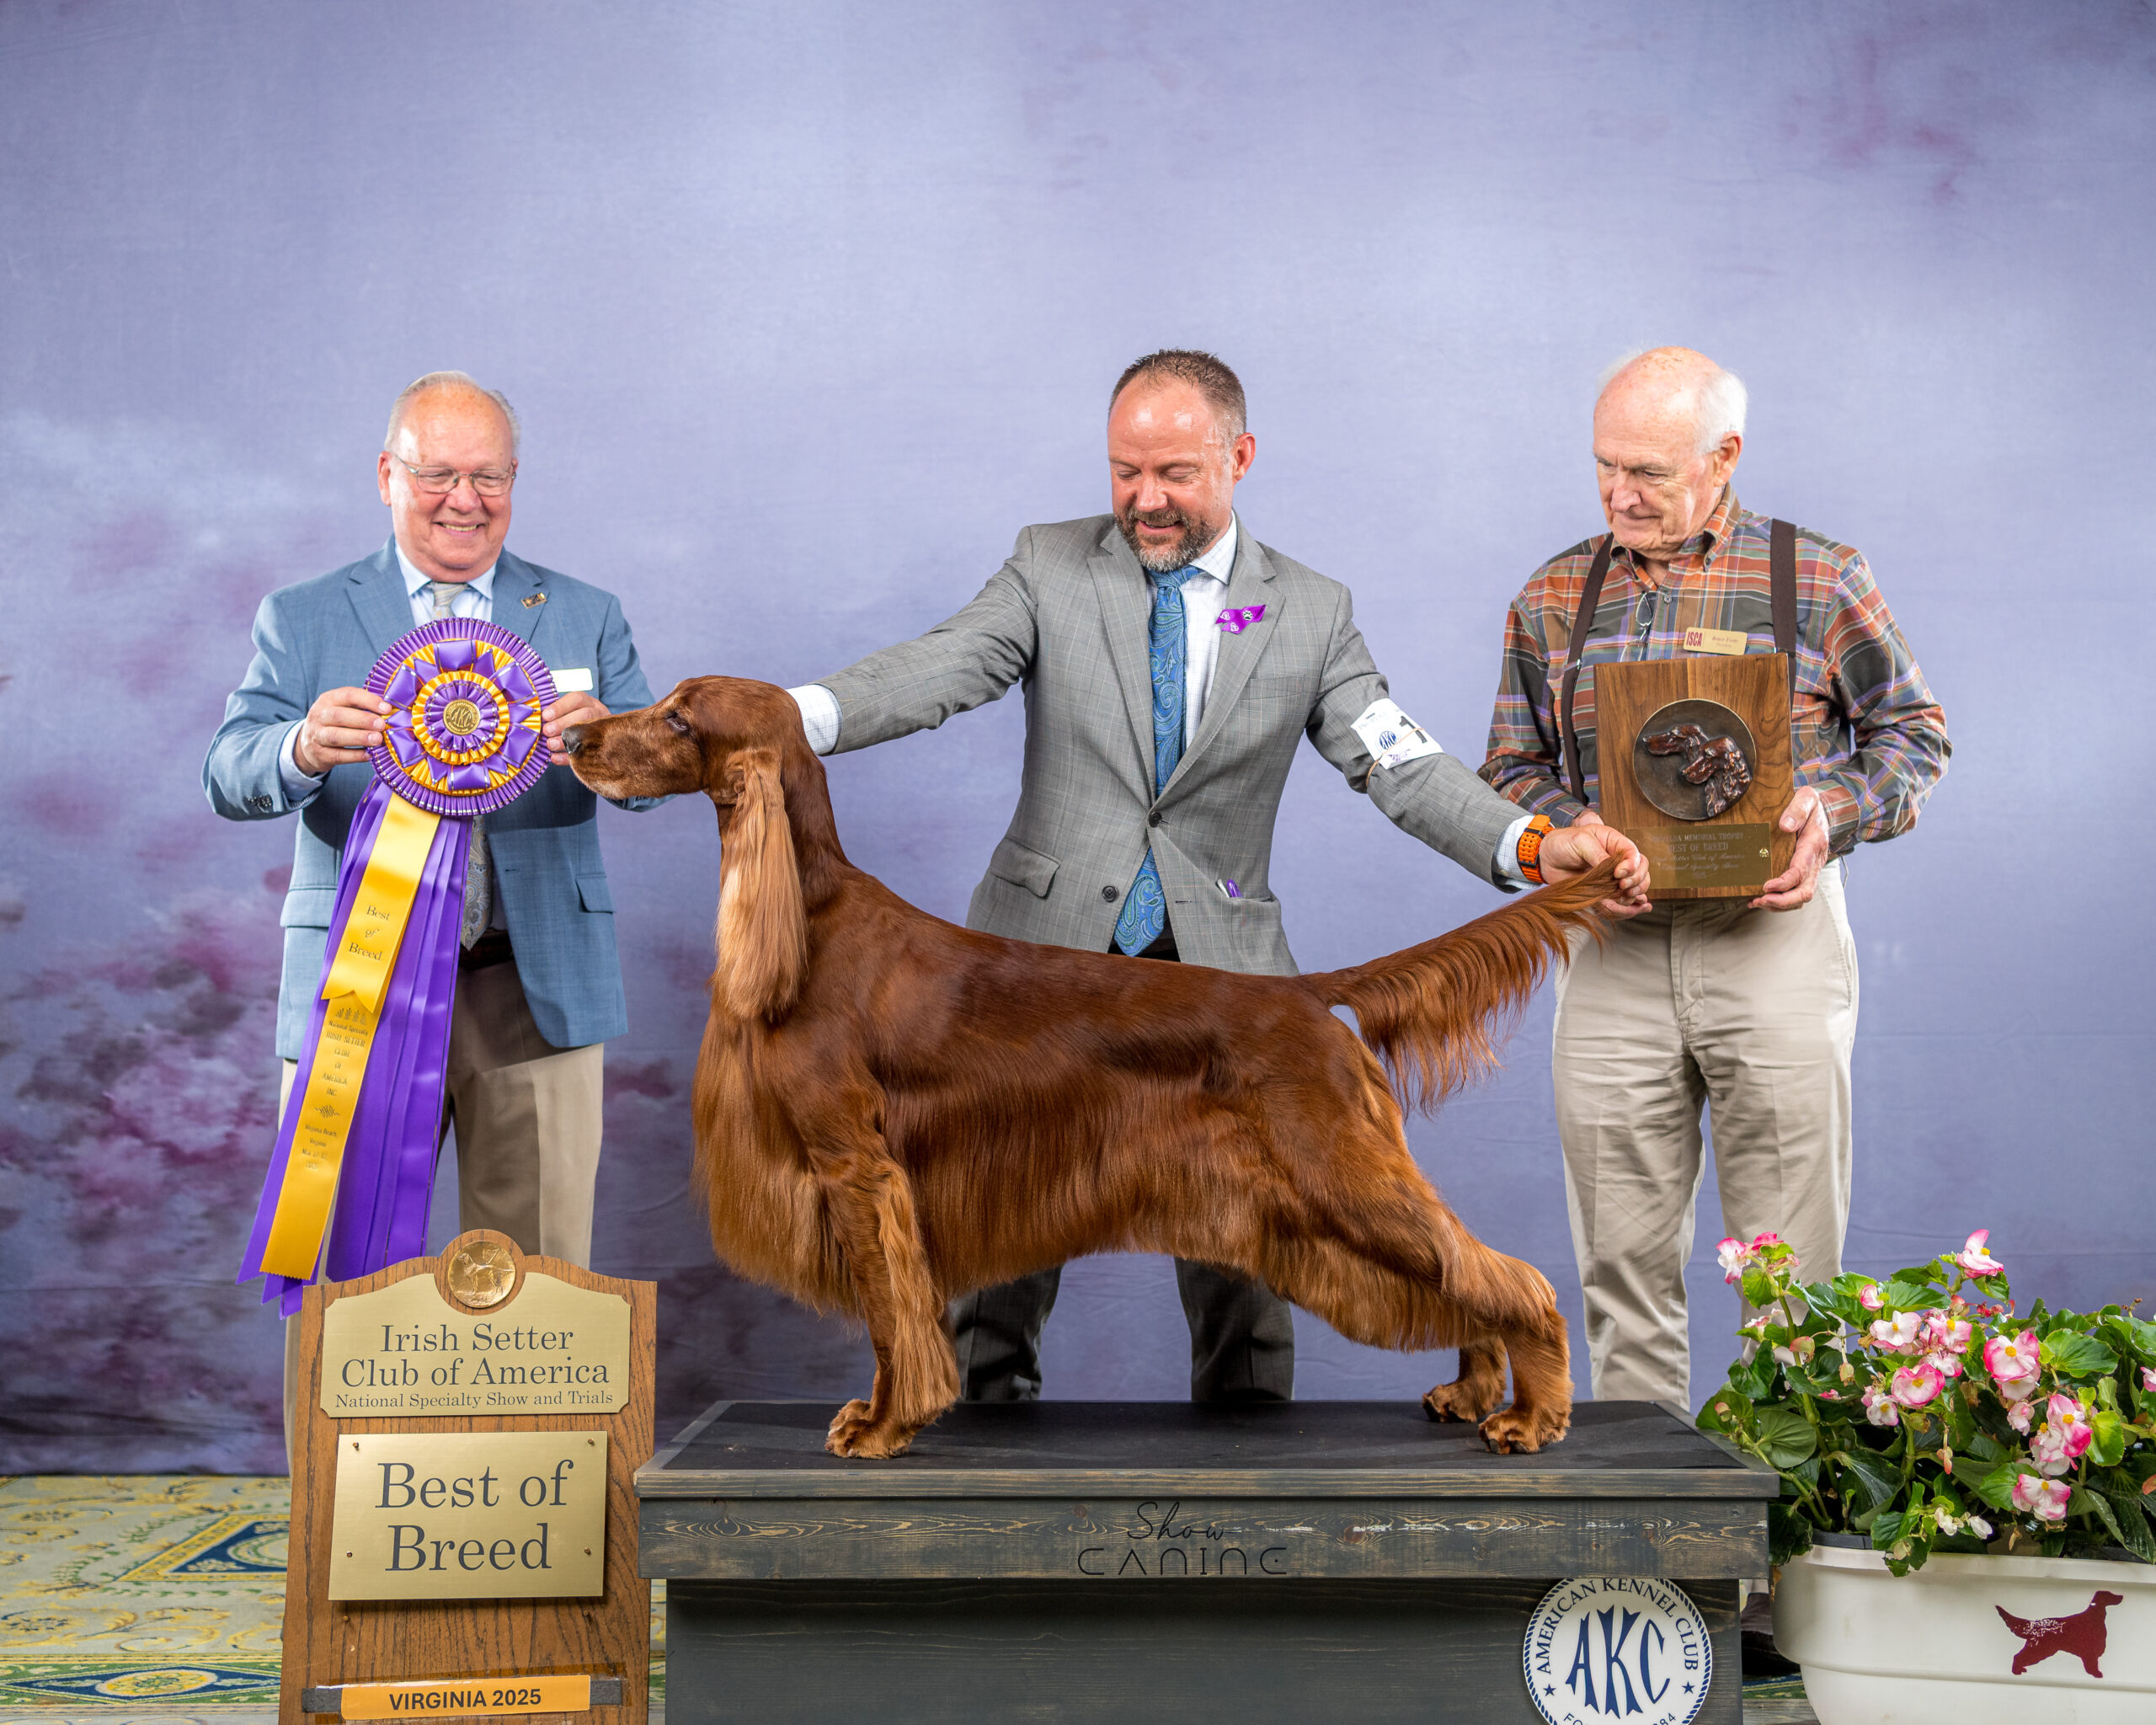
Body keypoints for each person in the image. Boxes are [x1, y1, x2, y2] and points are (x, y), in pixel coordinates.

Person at [790, 349, 1648, 1404]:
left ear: (1239, 457)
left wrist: (1528, 843)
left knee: (1260, 1255)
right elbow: (940, 665)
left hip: (1218, 971)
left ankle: (1252, 1475)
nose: (1144, 500)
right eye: (1124, 472)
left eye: (1175, 474)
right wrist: (792, 718)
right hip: (1037, 976)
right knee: (992, 1253)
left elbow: (1399, 759)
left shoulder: (1309, 611)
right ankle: (975, 1454)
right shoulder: (1049, 567)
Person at [1479, 346, 1950, 1405]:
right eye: (1604, 466)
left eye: (1646, 470)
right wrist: (1574, 830)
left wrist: (1829, 815)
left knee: (1792, 1281)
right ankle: (1650, 1537)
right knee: (1621, 1267)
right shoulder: (1554, 593)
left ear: (1723, 455)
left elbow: (1913, 737)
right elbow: (1510, 766)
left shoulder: (1821, 575)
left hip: (1772, 945)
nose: (1618, 493)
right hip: (1612, 950)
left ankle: (1783, 1545)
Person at [205, 371, 659, 1282]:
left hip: (534, 991)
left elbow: (653, 777)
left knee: (538, 1291)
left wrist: (607, 743)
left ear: (515, 480)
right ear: (386, 474)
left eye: (488, 477)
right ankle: (347, 1437)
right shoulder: (302, 614)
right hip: (358, 988)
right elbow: (227, 770)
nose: (464, 499)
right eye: (437, 474)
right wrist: (299, 745)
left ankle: (528, 1438)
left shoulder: (585, 609)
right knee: (344, 1285)